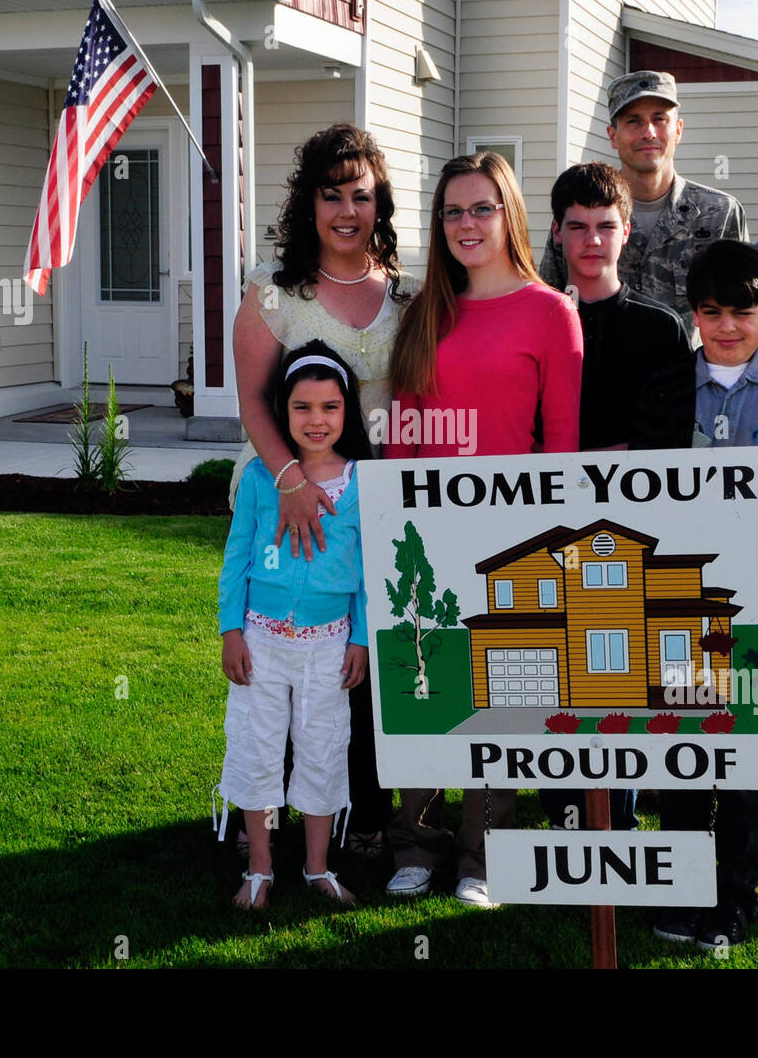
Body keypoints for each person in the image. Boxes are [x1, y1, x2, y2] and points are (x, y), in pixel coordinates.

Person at [383, 151, 584, 907]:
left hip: (514, 533)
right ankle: (416, 840)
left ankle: (483, 855)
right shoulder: (426, 310)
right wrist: (397, 523)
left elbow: (560, 444)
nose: (467, 224)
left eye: (482, 208)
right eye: (454, 212)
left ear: (510, 215)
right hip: (423, 537)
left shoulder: (549, 311)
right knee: (429, 684)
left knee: (504, 694)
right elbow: (403, 428)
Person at [231, 124, 413, 858]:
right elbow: (251, 400)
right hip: (290, 503)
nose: (347, 209)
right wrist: (291, 482)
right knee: (284, 659)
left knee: (365, 656)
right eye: (331, 194)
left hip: (379, 501)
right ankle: (263, 821)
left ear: (380, 203)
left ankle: (367, 814)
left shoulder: (408, 291)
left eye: (360, 195)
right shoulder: (273, 294)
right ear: (309, 203)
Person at [644, 238, 758, 950]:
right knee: (686, 744)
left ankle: (734, 897)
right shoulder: (664, 387)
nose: (727, 326)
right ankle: (686, 884)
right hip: (684, 597)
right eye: (712, 312)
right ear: (694, 314)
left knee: (751, 753)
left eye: (742, 312)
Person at [539, 160, 691, 832]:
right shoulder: (540, 322)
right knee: (550, 675)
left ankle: (617, 828)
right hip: (544, 529)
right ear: (558, 233)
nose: (592, 240)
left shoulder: (660, 331)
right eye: (578, 227)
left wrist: (596, 457)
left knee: (614, 678)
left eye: (606, 226)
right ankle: (565, 816)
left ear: (627, 231)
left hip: (628, 536)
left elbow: (661, 443)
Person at [215, 342, 372, 910]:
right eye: (302, 408)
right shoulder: (263, 478)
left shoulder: (360, 483)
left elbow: (366, 576)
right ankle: (259, 867)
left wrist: (359, 637)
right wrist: (231, 629)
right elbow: (237, 558)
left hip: (328, 645)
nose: (316, 420)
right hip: (261, 640)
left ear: (346, 413)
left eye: (329, 407)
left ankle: (316, 865)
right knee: (257, 746)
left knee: (324, 748)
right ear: (283, 414)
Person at [538, 70, 748, 335]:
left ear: (678, 130)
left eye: (659, 119)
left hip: (685, 375)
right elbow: (547, 305)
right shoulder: (579, 216)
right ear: (612, 135)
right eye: (633, 121)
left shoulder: (719, 214)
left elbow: (743, 314)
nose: (648, 132)